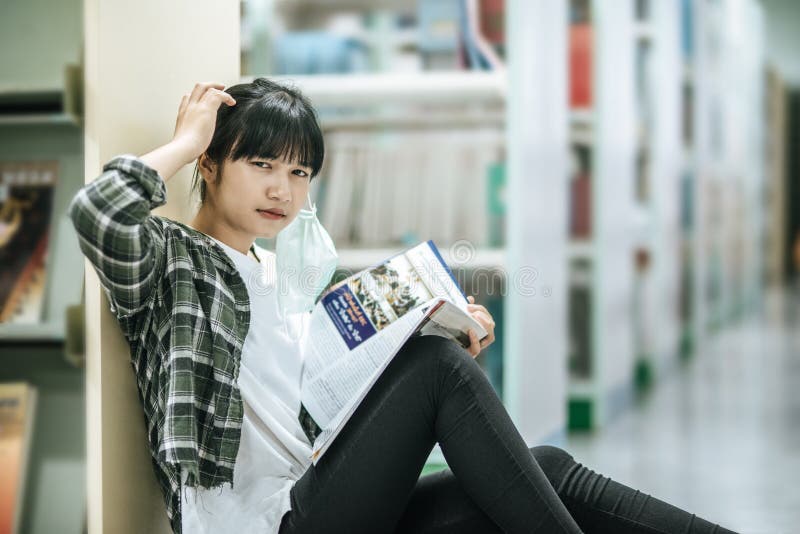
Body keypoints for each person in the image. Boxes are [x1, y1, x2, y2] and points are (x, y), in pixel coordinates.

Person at [69, 78, 737, 534]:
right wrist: (188, 138)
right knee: (435, 371)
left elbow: (324, 397)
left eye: (300, 173)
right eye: (262, 164)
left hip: (316, 495)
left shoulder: (273, 275)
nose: (283, 189)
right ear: (212, 166)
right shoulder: (175, 264)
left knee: (549, 465)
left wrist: (439, 326)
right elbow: (97, 213)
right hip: (266, 525)